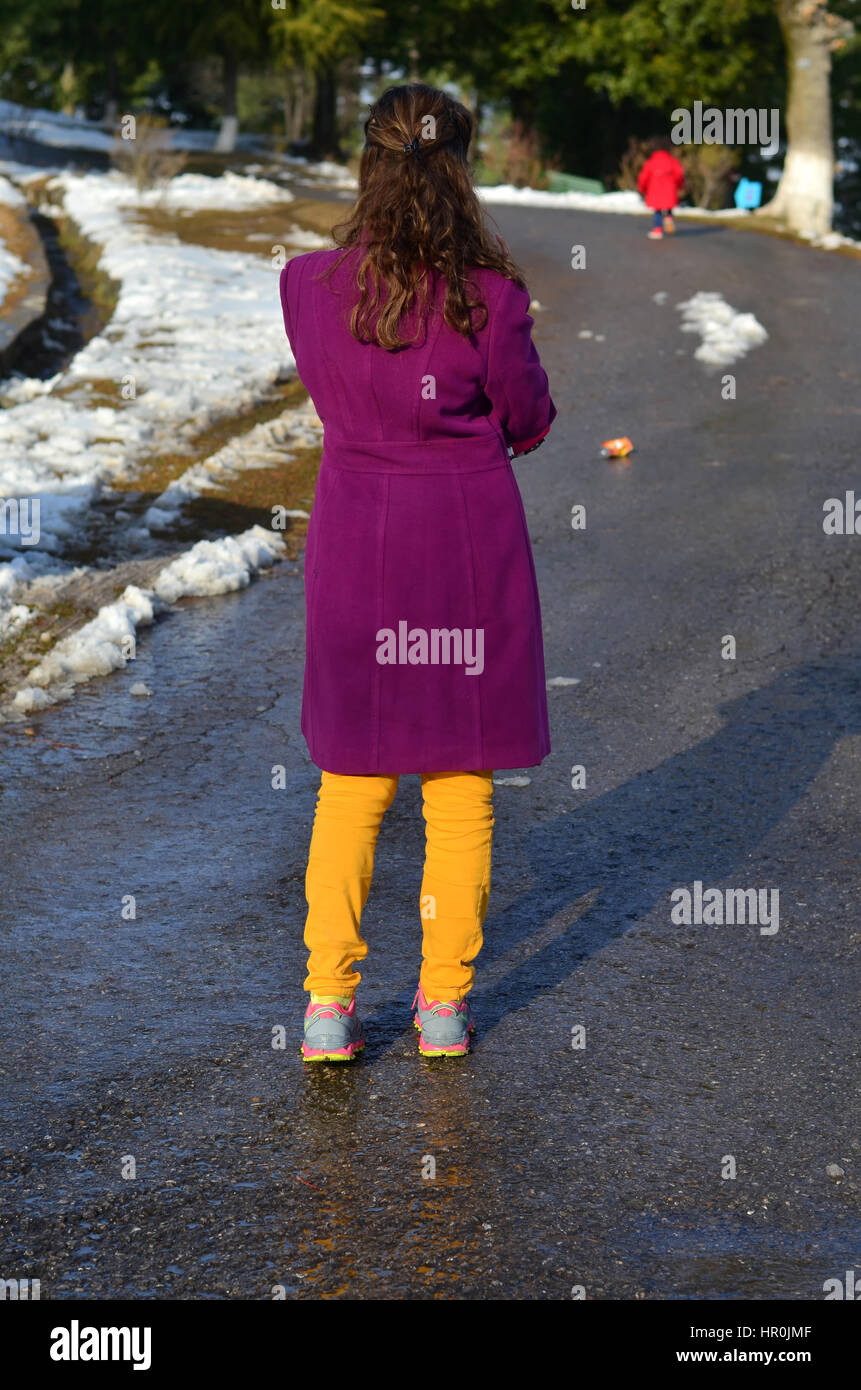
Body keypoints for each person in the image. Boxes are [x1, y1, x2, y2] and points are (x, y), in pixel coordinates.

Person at [278, 83, 556, 1062]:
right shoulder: (493, 295)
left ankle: (327, 1007)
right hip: (465, 553)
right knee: (457, 785)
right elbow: (526, 417)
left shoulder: (308, 285)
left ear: (369, 160)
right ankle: (441, 1007)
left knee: (351, 785)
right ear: (460, 166)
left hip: (358, 547)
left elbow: (334, 392)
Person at [637, 137, 685, 239]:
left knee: (657, 211)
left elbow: (643, 177)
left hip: (655, 191)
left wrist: (642, 189)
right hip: (670, 190)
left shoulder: (651, 162)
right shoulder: (672, 161)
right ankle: (668, 217)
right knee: (668, 207)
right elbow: (679, 174)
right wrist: (679, 185)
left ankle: (657, 229)